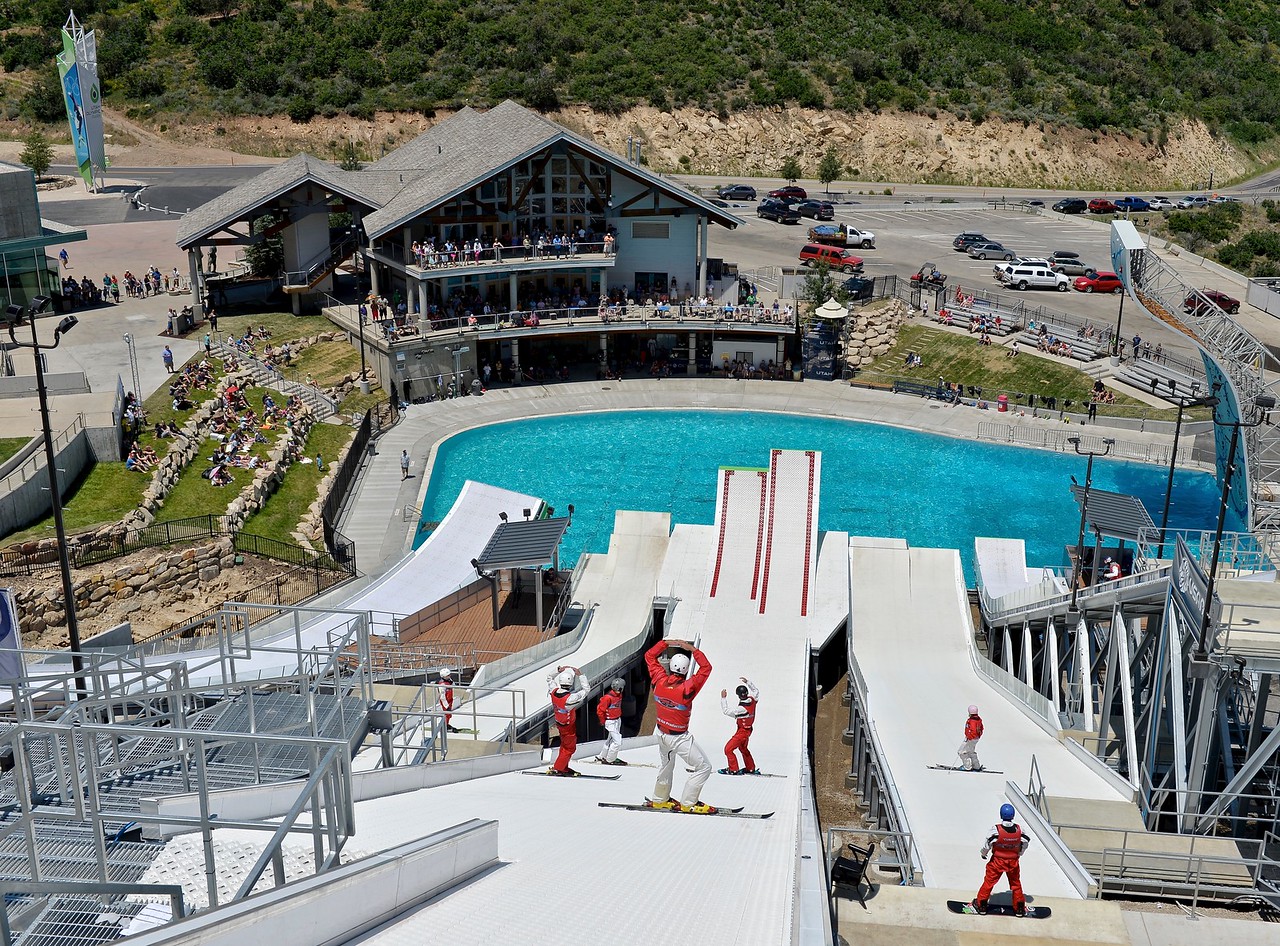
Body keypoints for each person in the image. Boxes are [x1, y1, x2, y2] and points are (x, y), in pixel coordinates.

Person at [644, 638, 716, 813]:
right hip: (678, 738)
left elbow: (649, 656)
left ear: (670, 666)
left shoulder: (658, 680)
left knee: (666, 765)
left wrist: (666, 643)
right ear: (685, 670)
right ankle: (688, 803)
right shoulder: (687, 688)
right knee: (704, 767)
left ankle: (660, 799)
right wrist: (691, 649)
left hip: (661, 733)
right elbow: (706, 668)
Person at [972, 803, 1032, 916]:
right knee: (1015, 884)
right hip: (1013, 862)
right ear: (1013, 815)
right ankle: (1019, 907)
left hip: (997, 861)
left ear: (1001, 815)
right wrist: (1020, 853)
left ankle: (982, 905)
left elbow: (987, 843)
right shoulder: (1020, 830)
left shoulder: (996, 830)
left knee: (989, 882)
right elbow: (1026, 841)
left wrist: (983, 854)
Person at [547, 666, 590, 775]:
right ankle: (559, 768)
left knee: (564, 746)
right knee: (570, 748)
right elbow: (586, 690)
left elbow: (549, 678)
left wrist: (557, 671)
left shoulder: (553, 691)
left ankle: (563, 766)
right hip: (568, 726)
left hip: (559, 723)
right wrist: (581, 675)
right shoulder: (570, 698)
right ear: (570, 684)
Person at [719, 677, 759, 775]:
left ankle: (733, 769)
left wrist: (723, 698)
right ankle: (750, 768)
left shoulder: (741, 709)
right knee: (743, 748)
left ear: (738, 696)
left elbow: (726, 711)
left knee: (728, 749)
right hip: (748, 729)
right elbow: (756, 691)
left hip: (742, 731)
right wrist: (748, 682)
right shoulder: (752, 699)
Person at [595, 677, 627, 765]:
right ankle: (610, 759)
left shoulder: (619, 695)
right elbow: (600, 710)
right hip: (610, 722)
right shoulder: (607, 698)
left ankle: (602, 756)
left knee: (610, 740)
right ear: (620, 688)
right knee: (617, 741)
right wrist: (603, 721)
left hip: (617, 720)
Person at [958, 704, 984, 771]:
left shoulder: (972, 721)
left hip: (970, 738)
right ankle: (976, 766)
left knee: (961, 752)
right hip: (975, 738)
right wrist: (978, 736)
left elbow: (973, 730)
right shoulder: (978, 720)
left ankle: (967, 766)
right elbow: (981, 728)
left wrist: (969, 737)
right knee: (971, 751)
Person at [437, 668, 460, 733]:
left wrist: (451, 682)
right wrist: (446, 706)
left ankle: (446, 724)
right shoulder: (442, 685)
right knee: (447, 714)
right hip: (445, 701)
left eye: (449, 675)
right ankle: (444, 726)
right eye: (448, 675)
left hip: (450, 700)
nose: (449, 676)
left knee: (449, 715)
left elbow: (454, 686)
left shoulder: (449, 681)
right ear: (443, 676)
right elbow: (442, 697)